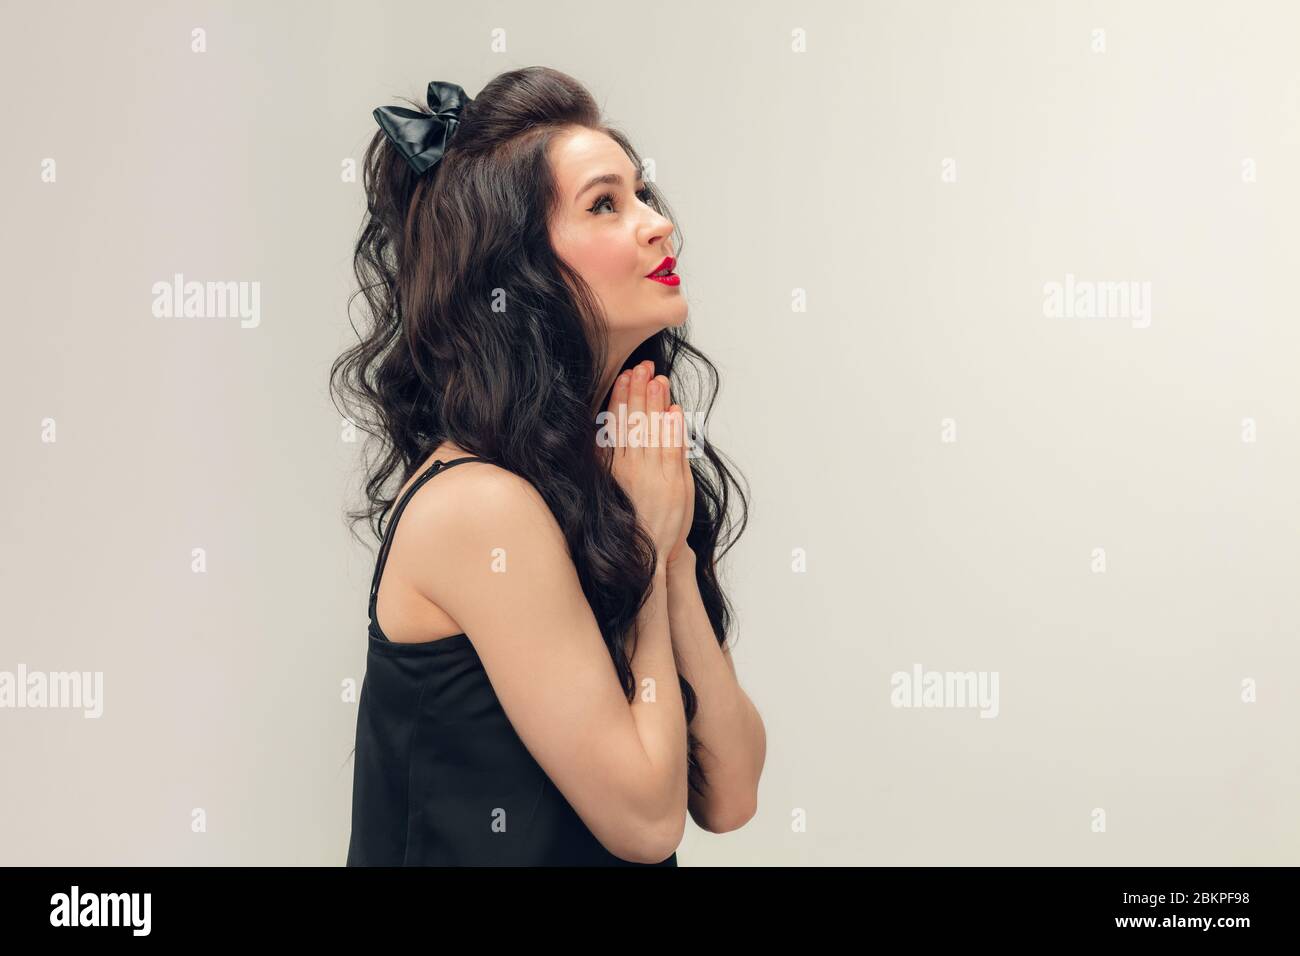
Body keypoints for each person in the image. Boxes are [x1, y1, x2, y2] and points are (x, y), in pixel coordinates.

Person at [332, 66, 765, 866]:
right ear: (517, 270)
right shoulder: (480, 507)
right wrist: (645, 557)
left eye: (642, 195)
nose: (657, 225)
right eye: (605, 204)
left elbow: (731, 794)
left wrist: (666, 554)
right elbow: (646, 823)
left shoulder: (617, 477)